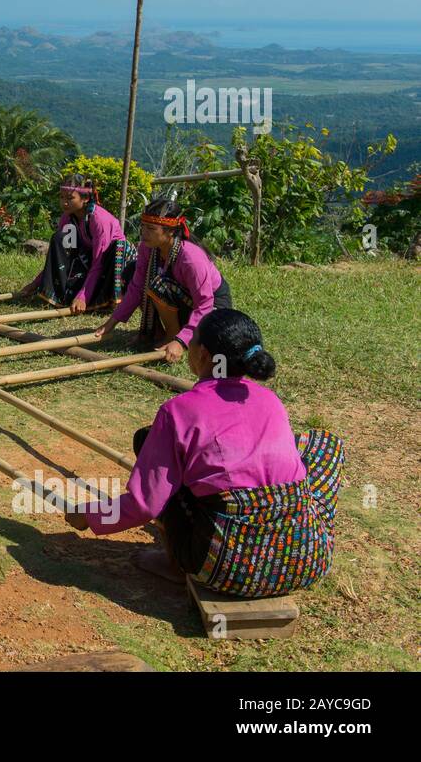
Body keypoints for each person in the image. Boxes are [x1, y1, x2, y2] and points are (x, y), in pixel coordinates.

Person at [65, 309, 342, 599]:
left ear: (204, 355)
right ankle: (296, 528)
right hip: (305, 559)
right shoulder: (271, 401)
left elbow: (144, 505)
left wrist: (90, 516)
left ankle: (177, 562)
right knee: (322, 445)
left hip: (223, 568)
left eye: (192, 340)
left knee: (153, 447)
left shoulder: (178, 412)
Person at [92, 198, 232, 364]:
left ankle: (173, 336)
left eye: (151, 228)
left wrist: (181, 341)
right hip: (182, 298)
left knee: (159, 285)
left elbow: (204, 303)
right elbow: (137, 286)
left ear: (170, 231)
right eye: (143, 226)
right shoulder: (147, 247)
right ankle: (156, 333)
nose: (144, 232)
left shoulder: (191, 258)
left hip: (212, 306)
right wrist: (112, 322)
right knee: (133, 274)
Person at [19, 174, 136, 313]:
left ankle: (107, 299)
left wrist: (82, 296)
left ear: (85, 198)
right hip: (90, 260)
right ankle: (60, 295)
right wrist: (34, 284)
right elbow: (60, 257)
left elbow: (98, 262)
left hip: (114, 262)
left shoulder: (99, 221)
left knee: (117, 248)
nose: (64, 203)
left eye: (70, 198)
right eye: (62, 197)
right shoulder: (67, 218)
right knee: (59, 239)